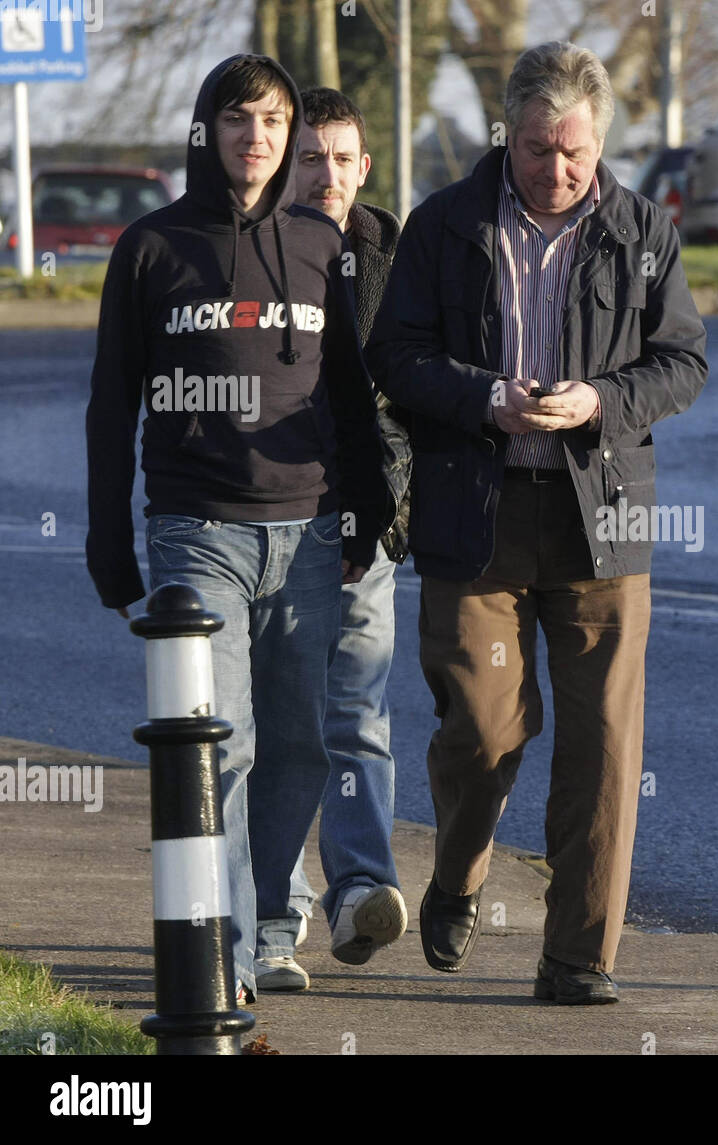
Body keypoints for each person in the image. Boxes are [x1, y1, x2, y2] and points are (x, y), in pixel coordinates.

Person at [367, 40, 708, 1004]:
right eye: (535, 148)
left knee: (604, 743)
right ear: (504, 133)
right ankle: (460, 870)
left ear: (600, 138)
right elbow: (394, 353)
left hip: (602, 520)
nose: (556, 169)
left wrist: (598, 399)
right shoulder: (442, 226)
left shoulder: (646, 229)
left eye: (574, 151)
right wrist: (483, 398)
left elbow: (682, 362)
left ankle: (578, 959)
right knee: (482, 729)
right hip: (477, 518)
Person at [85, 54, 385, 1005]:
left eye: (272, 121)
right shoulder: (150, 248)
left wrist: (371, 504)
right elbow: (110, 402)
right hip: (195, 530)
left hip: (307, 529)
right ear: (207, 130)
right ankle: (220, 941)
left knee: (301, 742)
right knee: (224, 741)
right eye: (237, 119)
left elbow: (346, 392)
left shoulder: (317, 245)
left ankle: (268, 927)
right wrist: (107, 535)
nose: (255, 138)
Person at [258, 86, 410, 988]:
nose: (327, 176)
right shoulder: (252, 252)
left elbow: (410, 390)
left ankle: (362, 890)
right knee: (280, 726)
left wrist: (390, 500)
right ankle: (275, 915)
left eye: (341, 159)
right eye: (308, 158)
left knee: (359, 716)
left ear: (363, 166)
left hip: (364, 524)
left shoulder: (394, 256)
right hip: (266, 521)